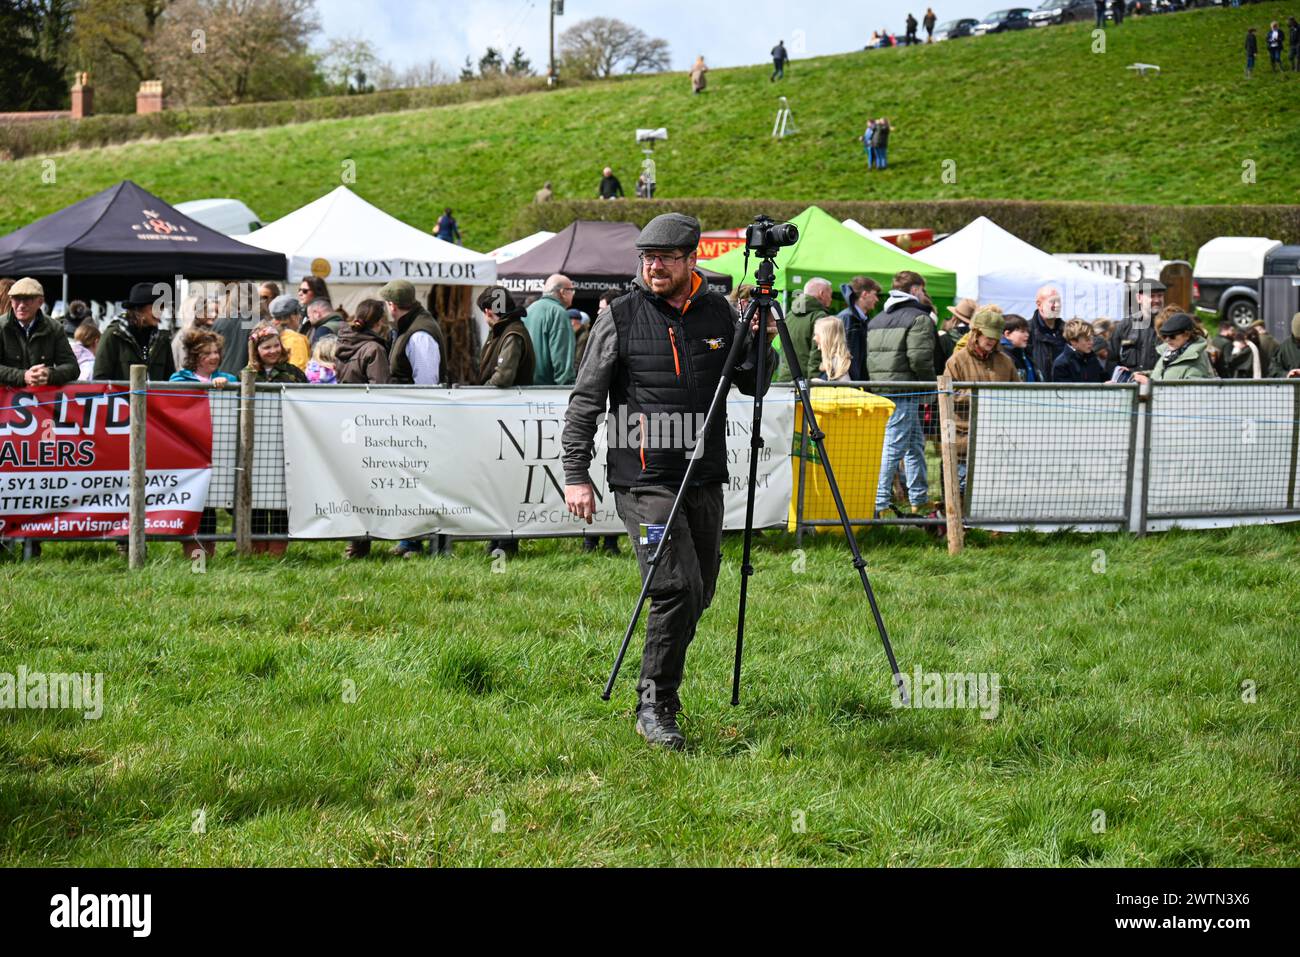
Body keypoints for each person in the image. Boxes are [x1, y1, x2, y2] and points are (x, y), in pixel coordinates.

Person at [561, 212, 778, 751]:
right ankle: (655, 706)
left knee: (700, 590)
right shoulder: (621, 317)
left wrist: (760, 339)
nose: (654, 267)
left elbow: (753, 384)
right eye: (647, 258)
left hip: (703, 475)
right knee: (674, 586)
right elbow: (585, 401)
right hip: (643, 480)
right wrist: (575, 475)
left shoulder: (720, 313)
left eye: (665, 259)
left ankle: (660, 689)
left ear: (690, 259)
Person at [868, 271, 935, 516]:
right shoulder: (919, 318)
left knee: (915, 445)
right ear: (916, 290)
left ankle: (919, 497)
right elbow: (919, 357)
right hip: (906, 388)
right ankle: (880, 503)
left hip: (883, 387)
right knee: (894, 448)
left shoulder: (876, 319)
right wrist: (930, 387)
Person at [333, 300, 392, 560]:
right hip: (370, 424)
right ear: (379, 322)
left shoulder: (343, 343)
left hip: (347, 421)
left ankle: (355, 542)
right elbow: (381, 391)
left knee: (355, 485)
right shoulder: (373, 349)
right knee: (372, 485)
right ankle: (360, 544)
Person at [944, 307, 1017, 497]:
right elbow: (948, 395)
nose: (992, 341)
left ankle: (989, 522)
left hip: (998, 434)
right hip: (965, 433)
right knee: (962, 485)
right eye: (988, 336)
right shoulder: (956, 361)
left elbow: (1018, 391)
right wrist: (979, 395)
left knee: (995, 484)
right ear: (975, 333)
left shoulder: (1005, 361)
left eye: (995, 337)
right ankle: (960, 523)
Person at [0, 277, 79, 388]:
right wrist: (23, 376)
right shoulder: (1, 327)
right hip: (5, 402)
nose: (21, 305)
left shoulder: (54, 328)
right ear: (11, 301)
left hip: (41, 401)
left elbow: (73, 367)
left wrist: (49, 374)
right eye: (16, 299)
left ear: (40, 302)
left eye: (28, 299)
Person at [94, 282, 175, 382]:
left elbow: (170, 381)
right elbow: (100, 379)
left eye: (161, 308)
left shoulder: (163, 340)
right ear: (138, 309)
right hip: (120, 397)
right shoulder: (113, 335)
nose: (160, 312)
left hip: (155, 397)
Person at [382, 279, 446, 387]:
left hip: (416, 402)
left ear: (392, 306)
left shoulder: (420, 335)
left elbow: (427, 385)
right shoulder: (409, 325)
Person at [523, 274, 577, 386]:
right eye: (572, 290)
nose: (573, 294)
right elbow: (562, 361)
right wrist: (566, 388)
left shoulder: (528, 310)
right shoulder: (559, 313)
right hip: (549, 391)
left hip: (524, 388)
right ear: (562, 292)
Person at [478, 287, 535, 388]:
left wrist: (481, 393)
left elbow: (502, 378)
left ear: (488, 312)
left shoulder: (512, 333)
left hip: (511, 402)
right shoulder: (502, 330)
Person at [780, 277, 833, 381]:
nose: (831, 299)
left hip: (786, 379)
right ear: (822, 293)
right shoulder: (820, 316)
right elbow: (817, 354)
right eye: (830, 295)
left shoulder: (789, 315)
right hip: (806, 384)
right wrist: (814, 383)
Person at [1109, 278, 1166, 375]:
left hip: (1158, 385)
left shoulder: (1170, 325)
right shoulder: (1124, 326)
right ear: (1139, 298)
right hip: (1130, 385)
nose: (1157, 300)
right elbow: (1111, 360)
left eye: (1160, 296)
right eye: (1151, 296)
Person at [1138, 312, 1215, 382]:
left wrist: (1148, 383)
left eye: (1172, 336)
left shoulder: (1196, 359)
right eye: (1164, 336)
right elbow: (1168, 374)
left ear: (1187, 335)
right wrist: (1145, 374)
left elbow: (1190, 393)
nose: (1167, 340)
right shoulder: (1168, 353)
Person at [335, 299, 392, 385]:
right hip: (364, 398)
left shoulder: (341, 341)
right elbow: (380, 388)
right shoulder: (374, 349)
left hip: (340, 397)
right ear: (379, 322)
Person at [838, 276, 882, 381]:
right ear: (865, 294)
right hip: (850, 384)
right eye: (875, 295)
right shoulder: (848, 318)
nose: (877, 299)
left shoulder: (861, 319)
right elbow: (845, 353)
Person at [170, 327, 237, 387]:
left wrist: (226, 386)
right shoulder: (179, 379)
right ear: (195, 356)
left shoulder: (229, 379)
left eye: (216, 352)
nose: (214, 357)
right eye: (207, 353)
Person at [1027, 285, 1067, 382]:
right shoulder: (1027, 330)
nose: (1056, 305)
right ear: (1039, 304)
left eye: (1058, 301)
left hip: (1065, 389)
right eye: (1052, 301)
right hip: (1039, 391)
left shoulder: (1067, 330)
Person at [268, 295, 310, 371]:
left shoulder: (265, 335)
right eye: (299, 313)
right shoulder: (296, 340)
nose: (300, 317)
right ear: (293, 316)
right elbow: (299, 369)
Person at [936, 297, 976, 370]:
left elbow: (938, 367)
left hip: (947, 379)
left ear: (954, 317)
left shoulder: (943, 338)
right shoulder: (977, 339)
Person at [999, 314, 1041, 382]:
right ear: (1007, 334)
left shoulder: (1025, 353)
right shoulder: (1002, 356)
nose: (1027, 335)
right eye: (1022, 331)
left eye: (1027, 331)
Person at [813, 316, 852, 383]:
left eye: (817, 334)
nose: (814, 338)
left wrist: (822, 384)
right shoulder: (834, 362)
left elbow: (846, 389)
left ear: (827, 337)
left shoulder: (839, 363)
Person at [1269, 313, 1300, 378]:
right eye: (1298, 339)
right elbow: (1274, 370)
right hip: (1292, 387)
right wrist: (1287, 374)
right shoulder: (1285, 347)